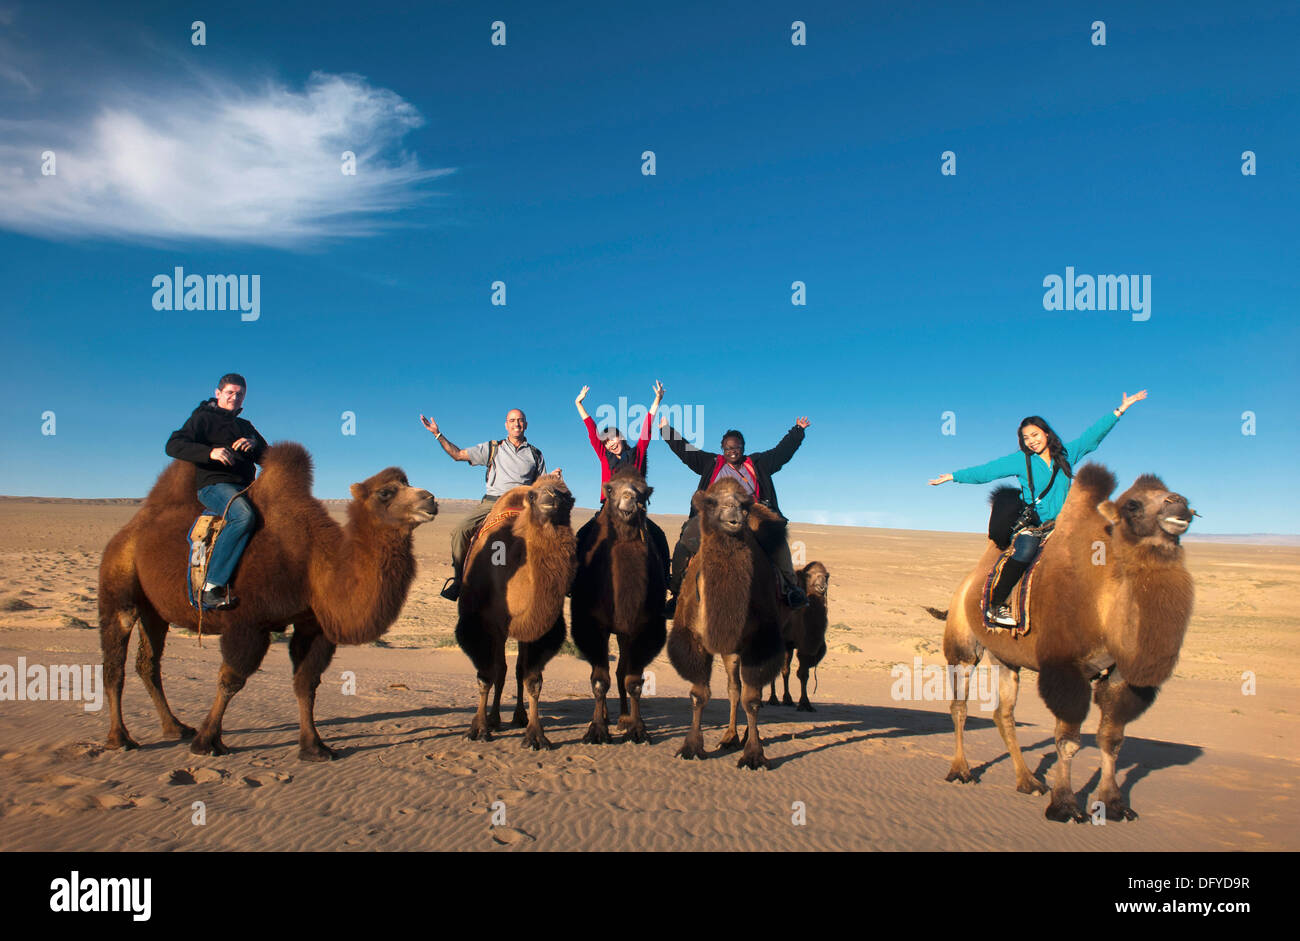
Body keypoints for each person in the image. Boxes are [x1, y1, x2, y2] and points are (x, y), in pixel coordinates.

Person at [929, 390, 1147, 626]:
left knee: (1101, 545)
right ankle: (995, 605)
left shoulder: (1065, 454)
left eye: (1035, 434)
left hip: (1063, 524)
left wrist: (1120, 410)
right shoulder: (1020, 461)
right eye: (1026, 438)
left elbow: (1091, 437)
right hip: (1034, 525)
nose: (1031, 441)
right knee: (1024, 552)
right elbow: (987, 471)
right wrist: (954, 476)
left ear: (1046, 433)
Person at [660, 414, 811, 617]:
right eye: (728, 448)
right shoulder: (711, 463)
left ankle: (791, 589)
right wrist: (666, 431)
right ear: (723, 449)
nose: (733, 451)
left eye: (737, 447)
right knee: (686, 540)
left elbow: (781, 453)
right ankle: (677, 593)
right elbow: (686, 450)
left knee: (778, 540)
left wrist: (797, 432)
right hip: (714, 515)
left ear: (743, 447)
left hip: (751, 514)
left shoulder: (758, 463)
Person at [165, 373, 268, 611]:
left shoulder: (246, 426)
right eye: (230, 392)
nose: (234, 397)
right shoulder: (202, 419)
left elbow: (268, 456)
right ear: (218, 393)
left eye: (239, 394)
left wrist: (255, 446)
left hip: (247, 486)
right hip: (214, 485)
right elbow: (173, 445)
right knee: (243, 516)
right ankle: (211, 586)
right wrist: (210, 453)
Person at [420, 408, 545, 601]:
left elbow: (541, 485)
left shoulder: (536, 454)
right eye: (512, 420)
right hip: (493, 502)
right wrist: (437, 434)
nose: (516, 424)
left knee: (551, 535)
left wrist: (553, 479)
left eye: (520, 420)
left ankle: (551, 585)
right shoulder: (494, 448)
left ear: (526, 424)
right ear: (506, 425)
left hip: (523, 504)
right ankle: (459, 581)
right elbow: (458, 454)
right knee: (460, 531)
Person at [573, 381, 671, 578]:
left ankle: (666, 580)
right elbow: (592, 432)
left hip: (635, 510)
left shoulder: (638, 454)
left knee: (659, 538)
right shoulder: (604, 457)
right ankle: (575, 580)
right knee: (581, 536)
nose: (610, 444)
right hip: (608, 509)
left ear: (621, 437)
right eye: (606, 442)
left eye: (613, 438)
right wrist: (579, 404)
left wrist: (657, 400)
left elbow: (646, 429)